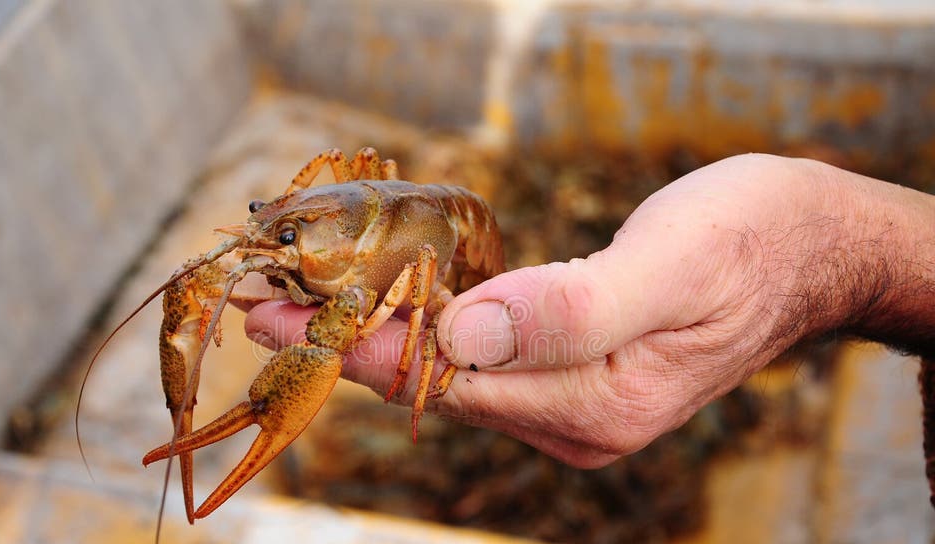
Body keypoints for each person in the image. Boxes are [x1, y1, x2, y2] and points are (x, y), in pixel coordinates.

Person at [242, 153, 935, 470]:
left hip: (453, 237)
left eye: (289, 232)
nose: (277, 242)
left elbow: (393, 285)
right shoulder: (327, 215)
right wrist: (838, 241)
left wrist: (813, 242)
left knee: (344, 331)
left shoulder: (415, 248)